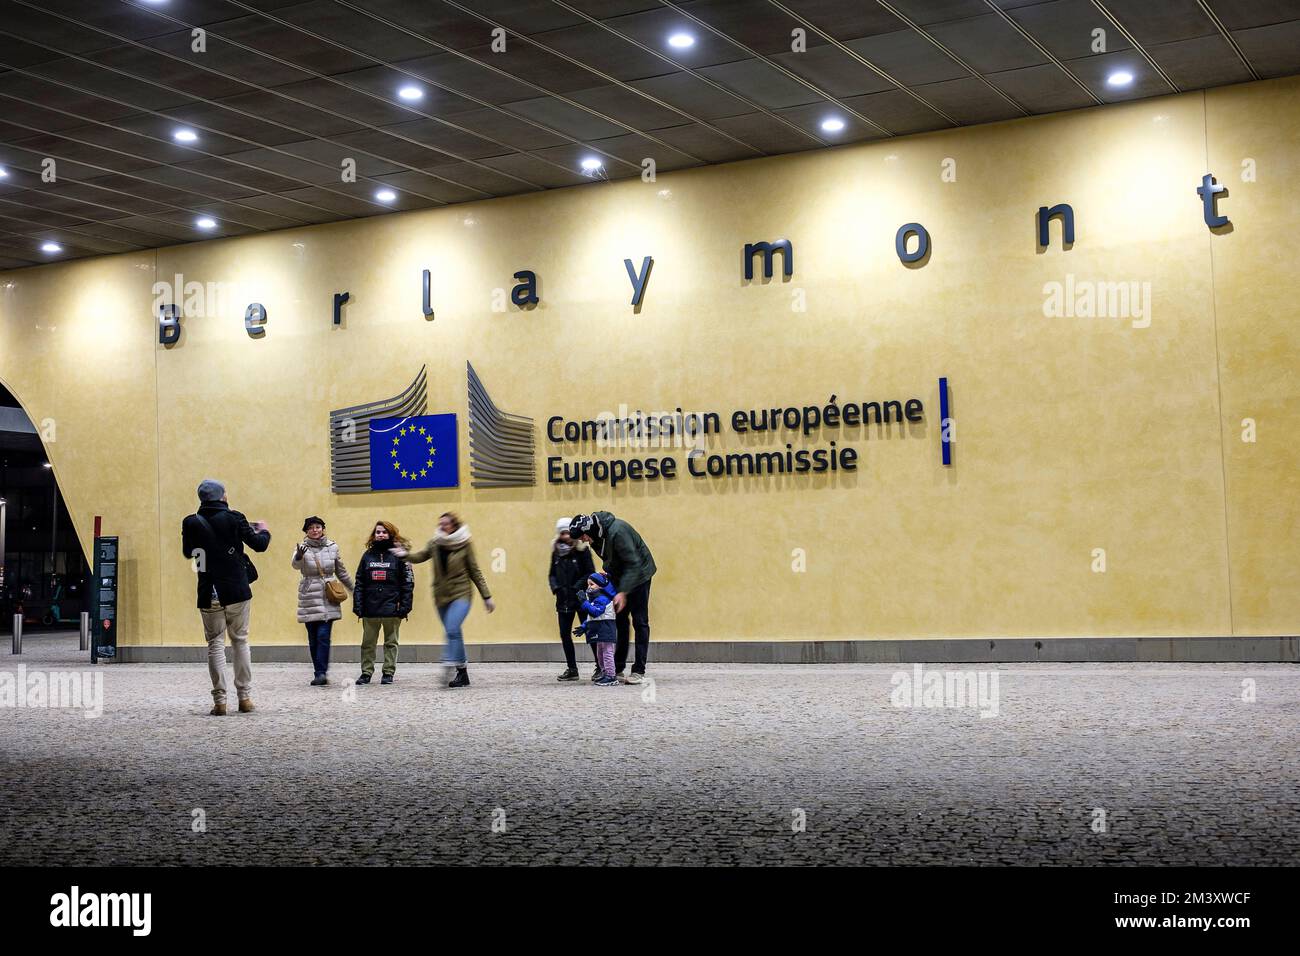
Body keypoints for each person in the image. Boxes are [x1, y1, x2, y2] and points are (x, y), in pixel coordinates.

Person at [180, 479, 271, 716]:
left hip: (209, 589)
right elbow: (259, 545)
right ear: (222, 496)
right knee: (240, 640)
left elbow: (189, 552)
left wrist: (207, 553)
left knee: (215, 644)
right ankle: (245, 698)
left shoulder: (190, 522)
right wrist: (263, 530)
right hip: (236, 589)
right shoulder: (235, 518)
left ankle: (220, 701)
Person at [393, 512, 494, 688]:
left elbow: (475, 571)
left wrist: (487, 596)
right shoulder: (435, 543)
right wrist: (404, 554)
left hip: (461, 593)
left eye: (445, 524)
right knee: (454, 632)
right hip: (441, 595)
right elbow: (420, 556)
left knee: (452, 628)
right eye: (440, 524)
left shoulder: (465, 544)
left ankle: (448, 662)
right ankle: (462, 673)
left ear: (454, 525)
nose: (441, 527)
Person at [568, 512, 656, 684]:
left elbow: (633, 563)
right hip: (622, 576)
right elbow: (612, 560)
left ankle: (638, 670)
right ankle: (617, 668)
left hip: (640, 574)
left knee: (640, 621)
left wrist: (622, 592)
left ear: (588, 530)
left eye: (583, 536)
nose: (583, 540)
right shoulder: (596, 537)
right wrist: (608, 575)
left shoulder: (617, 532)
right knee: (620, 619)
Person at [291, 516, 353, 686]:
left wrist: (354, 589)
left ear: (323, 529)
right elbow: (295, 565)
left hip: (328, 594)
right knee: (313, 638)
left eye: (318, 527)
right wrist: (299, 556)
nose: (315, 530)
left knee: (323, 636)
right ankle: (318, 671)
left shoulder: (332, 547)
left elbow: (341, 571)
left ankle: (321, 673)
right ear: (306, 531)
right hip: (309, 595)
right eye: (311, 528)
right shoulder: (301, 548)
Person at [352, 520, 414, 685]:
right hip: (370, 608)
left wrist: (405, 606)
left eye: (384, 532)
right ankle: (366, 673)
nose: (381, 535)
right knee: (367, 644)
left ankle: (388, 673)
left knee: (391, 643)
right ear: (374, 535)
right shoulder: (367, 556)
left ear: (390, 534)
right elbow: (359, 582)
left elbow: (408, 583)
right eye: (378, 532)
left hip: (392, 608)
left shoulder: (400, 556)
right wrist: (358, 605)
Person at [549, 517, 596, 682]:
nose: (566, 536)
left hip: (581, 599)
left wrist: (576, 587)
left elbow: (590, 572)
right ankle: (572, 669)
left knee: (590, 632)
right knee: (565, 634)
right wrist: (556, 588)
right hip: (563, 600)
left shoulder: (583, 551)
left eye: (568, 532)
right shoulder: (556, 552)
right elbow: (552, 574)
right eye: (562, 533)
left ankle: (600, 666)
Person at [573, 571, 620, 687]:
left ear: (600, 585)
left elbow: (595, 612)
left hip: (606, 630)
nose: (589, 587)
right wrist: (584, 627)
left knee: (607, 653)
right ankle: (604, 673)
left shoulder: (602, 599)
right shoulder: (594, 600)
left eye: (592, 584)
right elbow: (591, 618)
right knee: (600, 654)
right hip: (600, 631)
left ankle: (611, 675)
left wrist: (584, 602)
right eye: (588, 584)